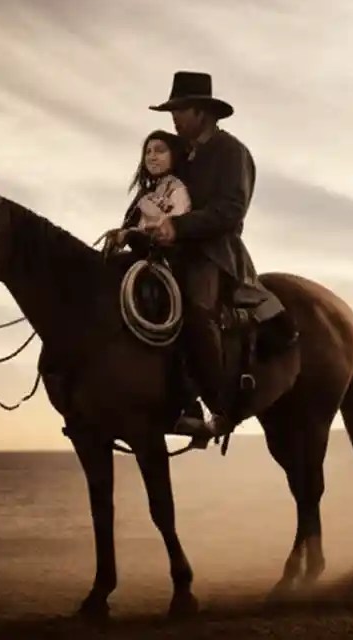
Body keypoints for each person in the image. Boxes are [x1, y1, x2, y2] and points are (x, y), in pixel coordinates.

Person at [142, 70, 287, 438]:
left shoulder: (232, 152)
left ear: (202, 113)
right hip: (172, 249)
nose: (173, 118)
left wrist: (181, 227)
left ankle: (218, 405)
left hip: (215, 252)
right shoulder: (182, 156)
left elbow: (231, 210)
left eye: (180, 110)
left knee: (195, 310)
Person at [104, 130, 193, 256]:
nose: (152, 157)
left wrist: (134, 235)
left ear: (175, 154)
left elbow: (169, 235)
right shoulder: (144, 195)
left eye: (160, 151)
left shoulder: (178, 189)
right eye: (148, 152)